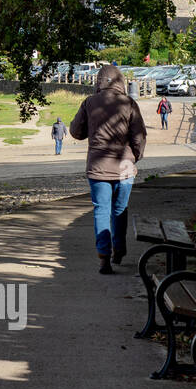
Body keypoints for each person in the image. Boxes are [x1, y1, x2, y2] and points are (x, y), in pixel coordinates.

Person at [70, 65, 147, 275]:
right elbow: (139, 136)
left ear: (99, 81)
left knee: (101, 210)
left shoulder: (89, 102)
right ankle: (119, 249)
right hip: (125, 166)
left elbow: (76, 131)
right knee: (120, 209)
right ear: (120, 81)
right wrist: (135, 157)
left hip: (98, 167)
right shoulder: (129, 103)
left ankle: (104, 257)